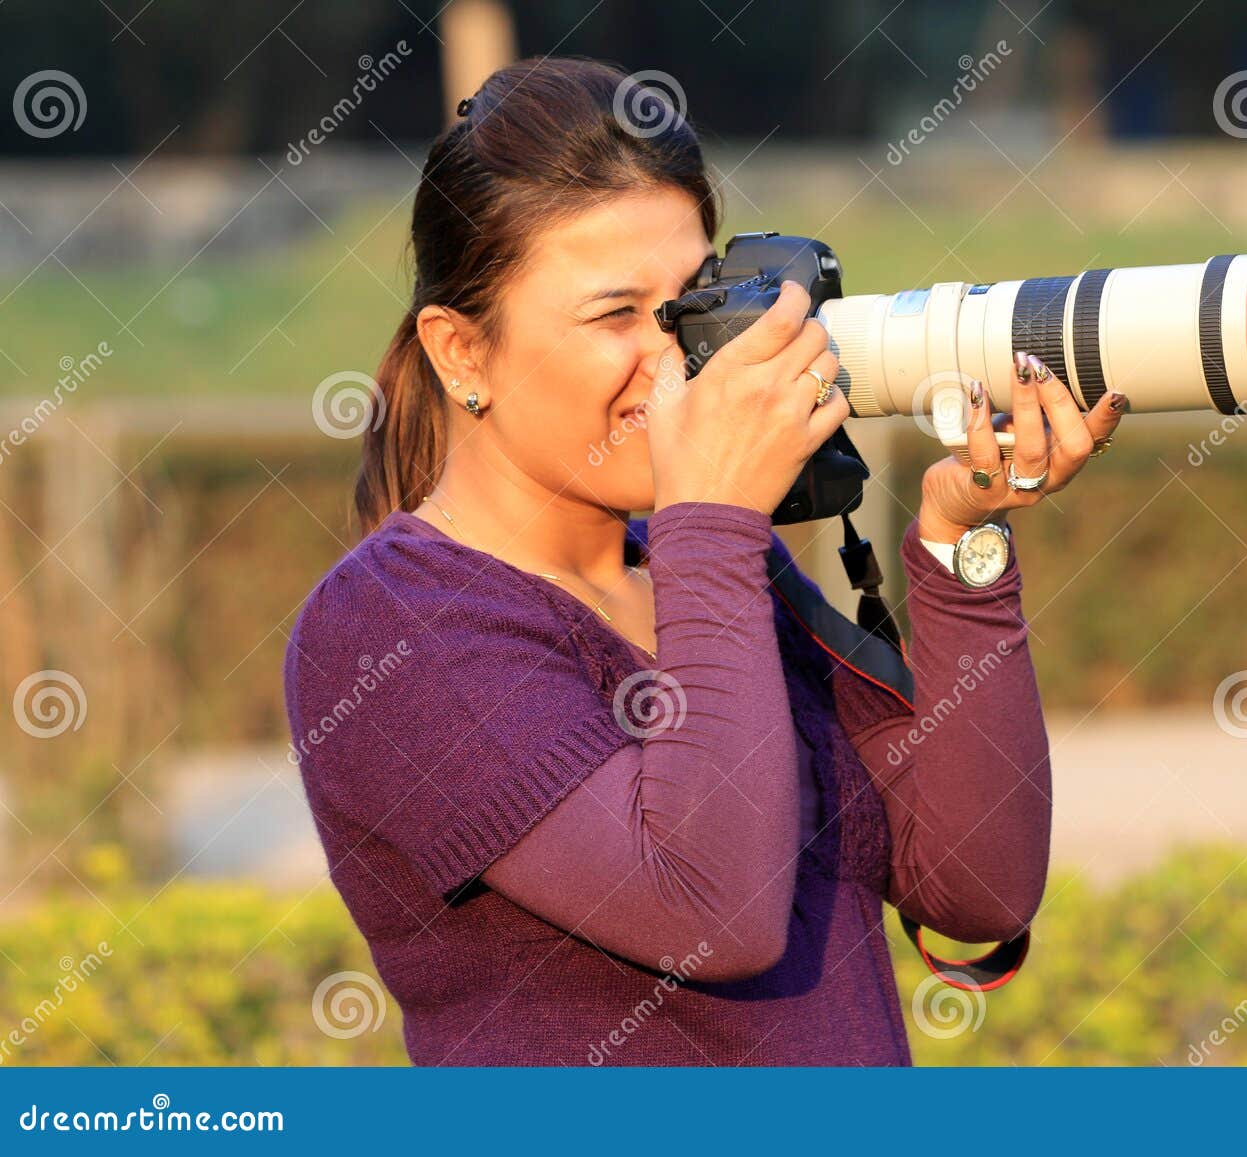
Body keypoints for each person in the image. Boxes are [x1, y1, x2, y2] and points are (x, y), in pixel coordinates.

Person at [283, 56, 1126, 1066]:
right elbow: (708, 911)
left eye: (690, 301)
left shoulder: (717, 566)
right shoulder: (390, 628)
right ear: (461, 352)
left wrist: (962, 543)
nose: (677, 355)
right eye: (613, 314)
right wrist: (712, 523)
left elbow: (974, 887)